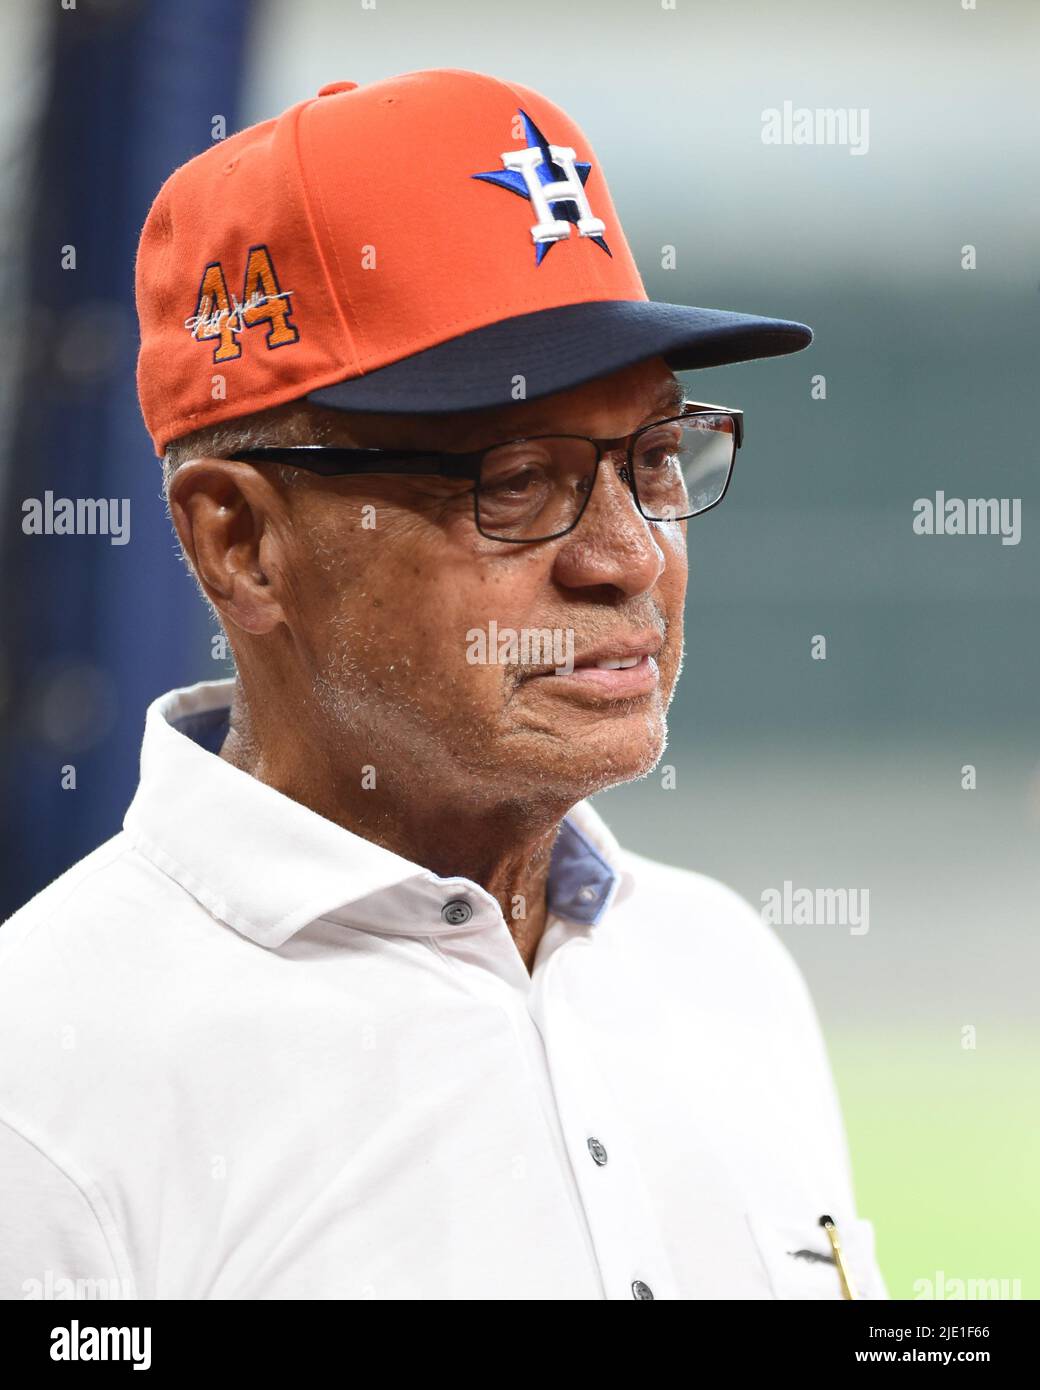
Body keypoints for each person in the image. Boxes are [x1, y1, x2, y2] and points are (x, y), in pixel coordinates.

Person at [0, 68, 887, 1300]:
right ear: (240, 543)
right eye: (515, 479)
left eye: (650, 457)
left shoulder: (721, 965)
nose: (628, 554)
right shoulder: (39, 1085)